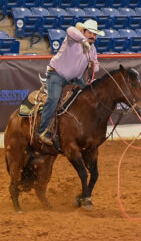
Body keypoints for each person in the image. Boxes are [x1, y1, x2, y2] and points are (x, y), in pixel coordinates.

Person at [38, 19, 102, 147]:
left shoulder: (92, 49)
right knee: (53, 99)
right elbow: (70, 30)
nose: (93, 36)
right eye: (90, 33)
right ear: (83, 32)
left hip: (75, 79)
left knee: (91, 96)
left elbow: (97, 66)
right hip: (57, 74)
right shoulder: (73, 40)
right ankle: (43, 131)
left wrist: (93, 66)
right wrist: (83, 41)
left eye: (95, 34)